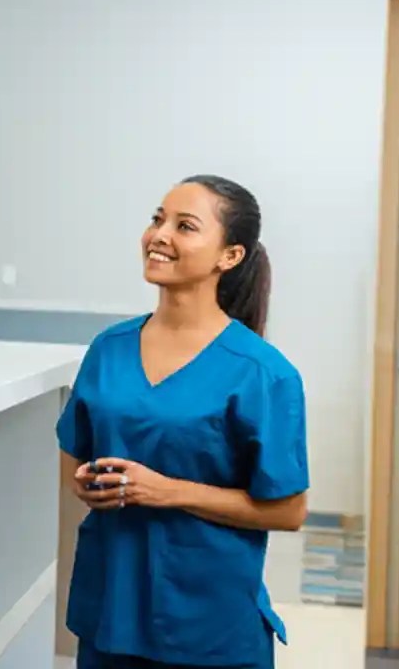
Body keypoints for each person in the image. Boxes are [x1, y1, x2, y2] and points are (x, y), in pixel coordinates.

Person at [59, 176, 310, 669]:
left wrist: (167, 491)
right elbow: (77, 458)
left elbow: (288, 511)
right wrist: (86, 485)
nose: (159, 235)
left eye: (185, 226)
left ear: (230, 256)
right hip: (110, 611)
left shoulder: (263, 372)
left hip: (207, 624)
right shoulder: (109, 348)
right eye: (157, 219)